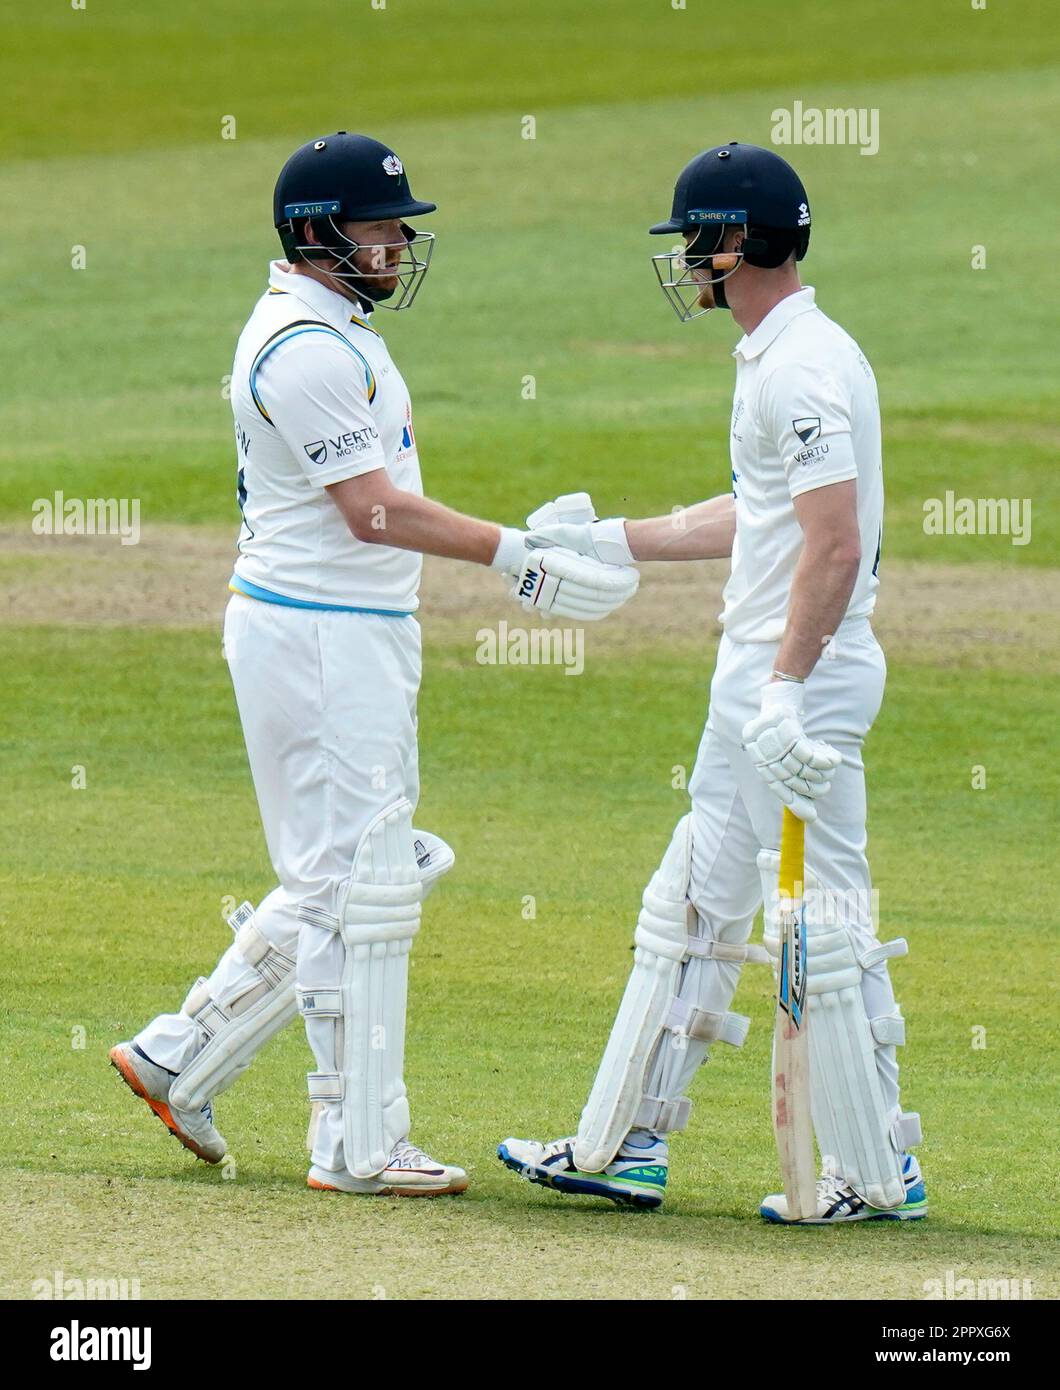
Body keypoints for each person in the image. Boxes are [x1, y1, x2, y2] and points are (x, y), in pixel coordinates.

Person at [110, 132, 637, 1197]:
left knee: (348, 877)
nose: (398, 242)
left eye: (400, 225)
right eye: (380, 225)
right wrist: (510, 554)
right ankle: (352, 1141)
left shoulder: (329, 326)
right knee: (361, 884)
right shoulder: (303, 349)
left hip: (339, 629)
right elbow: (375, 510)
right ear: (316, 233)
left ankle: (181, 1052)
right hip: (316, 632)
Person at [498, 142, 926, 1223]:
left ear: (738, 244)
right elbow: (761, 517)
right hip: (779, 675)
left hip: (792, 683)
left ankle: (867, 1172)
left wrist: (782, 687)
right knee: (720, 901)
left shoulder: (802, 367)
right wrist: (613, 538)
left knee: (786, 912)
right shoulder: (783, 356)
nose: (687, 258)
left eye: (696, 239)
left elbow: (833, 546)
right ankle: (639, 1141)